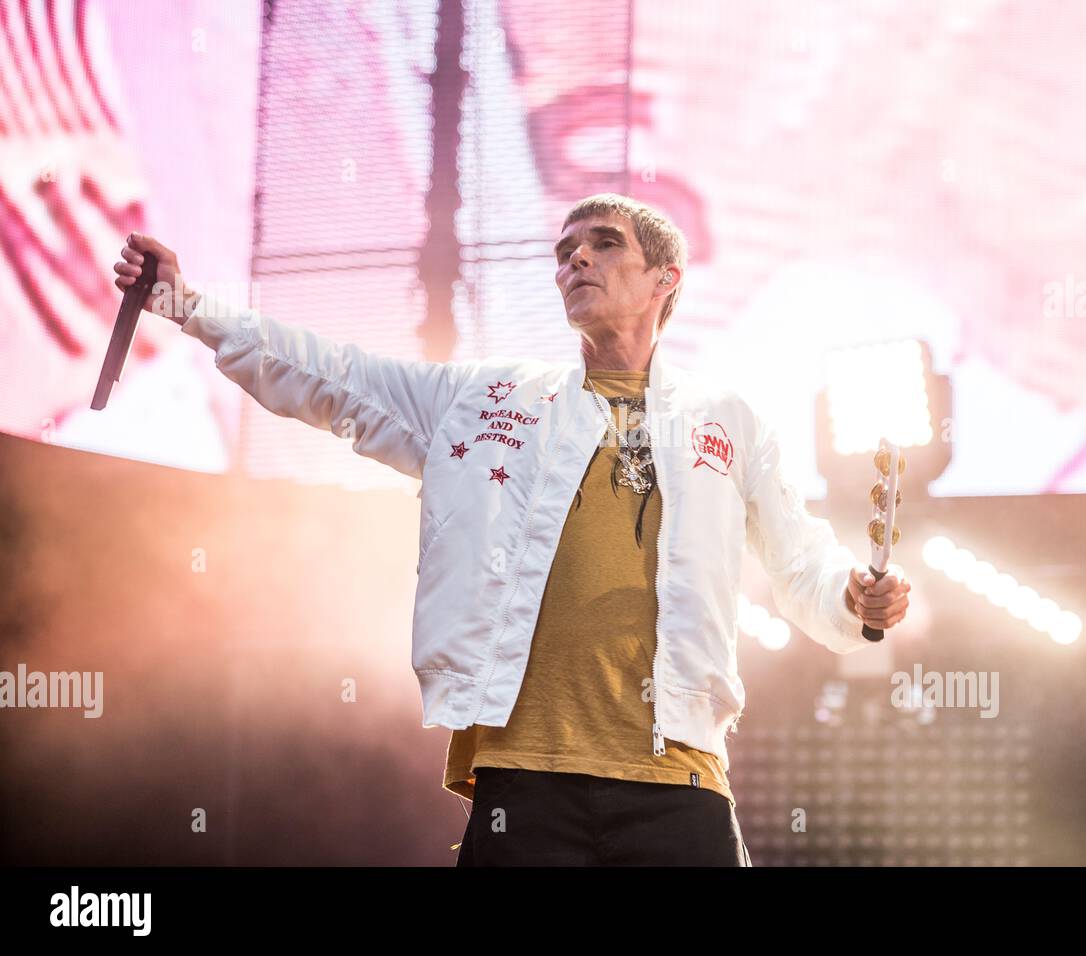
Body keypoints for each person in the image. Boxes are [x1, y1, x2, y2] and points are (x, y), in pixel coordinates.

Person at [112, 192, 911, 866]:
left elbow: (802, 561)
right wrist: (187, 304)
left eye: (604, 246)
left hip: (680, 784)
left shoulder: (728, 420)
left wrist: (854, 598)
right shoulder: (492, 402)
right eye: (565, 253)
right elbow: (334, 377)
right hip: (523, 786)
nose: (576, 263)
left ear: (665, 279)